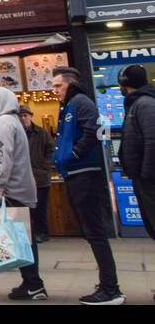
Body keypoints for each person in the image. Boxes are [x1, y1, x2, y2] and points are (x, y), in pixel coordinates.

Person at [51, 67, 123, 305]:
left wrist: (74, 153)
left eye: (57, 86)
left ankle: (110, 289)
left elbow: (96, 130)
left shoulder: (81, 102)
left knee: (96, 233)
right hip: (75, 173)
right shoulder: (69, 105)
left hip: (85, 174)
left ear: (70, 84)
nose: (54, 90)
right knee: (92, 234)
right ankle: (107, 285)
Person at [0, 86, 49, 300]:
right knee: (21, 238)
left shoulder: (3, 123)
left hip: (12, 190)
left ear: (4, 100)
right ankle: (31, 283)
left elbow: (2, 156)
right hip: (16, 188)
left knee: (21, 239)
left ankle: (34, 284)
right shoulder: (11, 121)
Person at [118, 65, 155, 285]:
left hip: (150, 179)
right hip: (144, 178)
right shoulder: (138, 104)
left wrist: (147, 173)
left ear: (125, 82)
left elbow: (153, 140)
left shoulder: (145, 104)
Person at [19, 106, 55, 244]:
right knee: (27, 209)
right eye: (20, 116)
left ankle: (42, 233)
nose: (23, 119)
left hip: (40, 177)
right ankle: (31, 233)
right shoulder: (17, 133)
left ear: (31, 116)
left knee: (40, 208)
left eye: (25, 116)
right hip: (23, 177)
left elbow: (51, 149)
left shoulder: (41, 133)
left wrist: (45, 165)